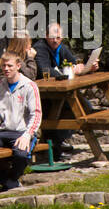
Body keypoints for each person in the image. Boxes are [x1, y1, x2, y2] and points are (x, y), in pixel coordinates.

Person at [34, 22, 100, 158]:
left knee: (85, 107)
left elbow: (74, 64)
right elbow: (44, 70)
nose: (55, 40)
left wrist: (88, 68)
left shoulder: (61, 48)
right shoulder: (40, 48)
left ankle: (57, 141)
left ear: (62, 37)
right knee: (77, 107)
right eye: (52, 37)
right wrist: (69, 72)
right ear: (46, 36)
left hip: (59, 93)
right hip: (44, 95)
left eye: (58, 37)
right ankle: (54, 145)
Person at [0, 52, 43, 189]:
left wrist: (27, 135)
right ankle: (11, 183)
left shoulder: (29, 86)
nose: (6, 69)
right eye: (3, 66)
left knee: (21, 155)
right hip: (2, 131)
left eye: (10, 65)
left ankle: (11, 180)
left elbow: (36, 114)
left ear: (18, 66)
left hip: (22, 131)